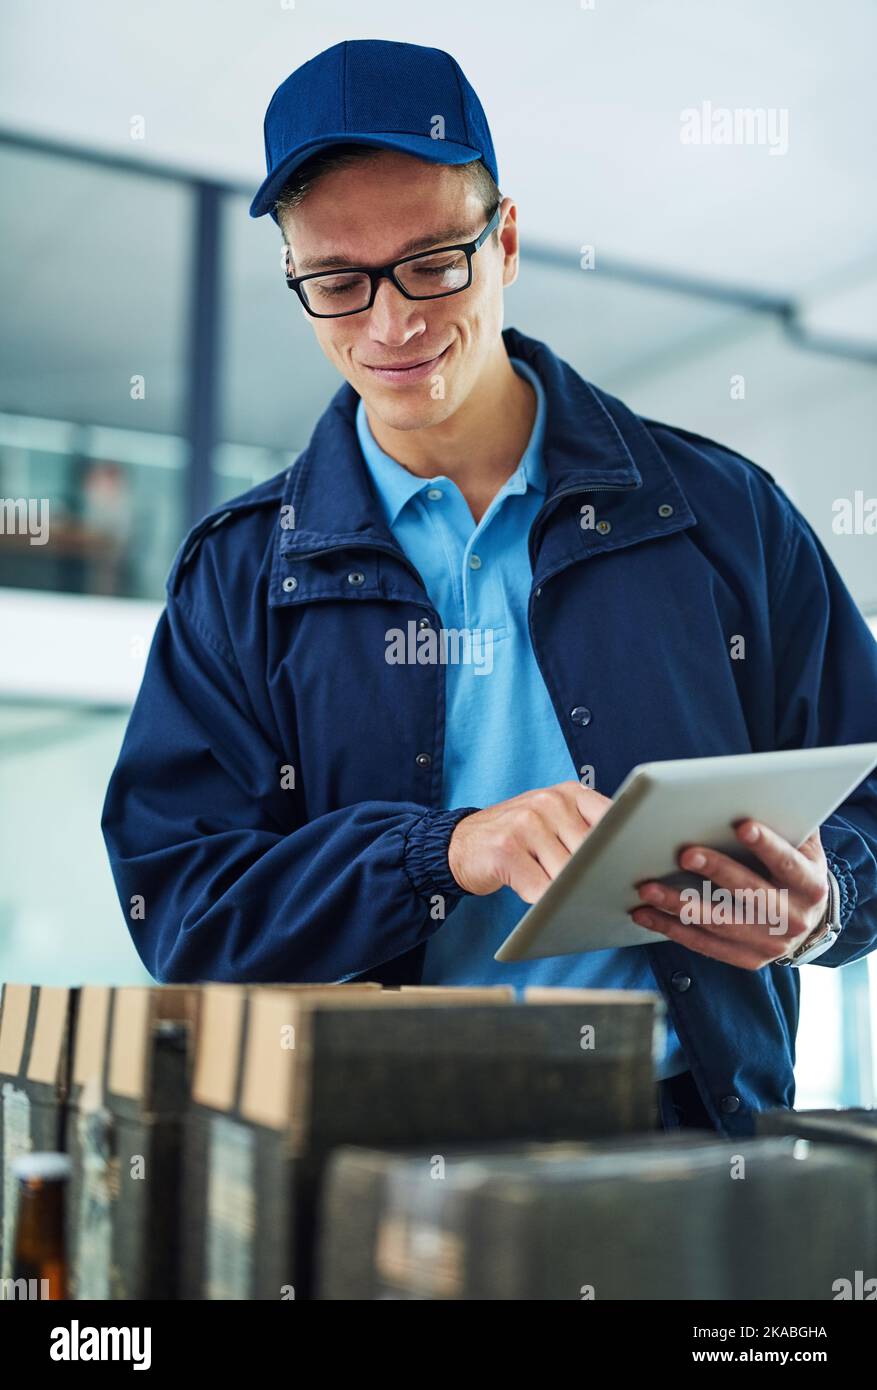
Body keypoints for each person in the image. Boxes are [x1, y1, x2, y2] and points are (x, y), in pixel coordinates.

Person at [102, 40, 877, 1138]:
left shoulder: (722, 514)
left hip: (688, 1141)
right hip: (368, 1148)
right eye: (337, 281)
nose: (391, 325)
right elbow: (185, 911)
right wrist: (444, 849)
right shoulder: (240, 574)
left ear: (504, 240)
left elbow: (870, 798)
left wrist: (827, 898)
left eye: (432, 263)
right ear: (296, 281)